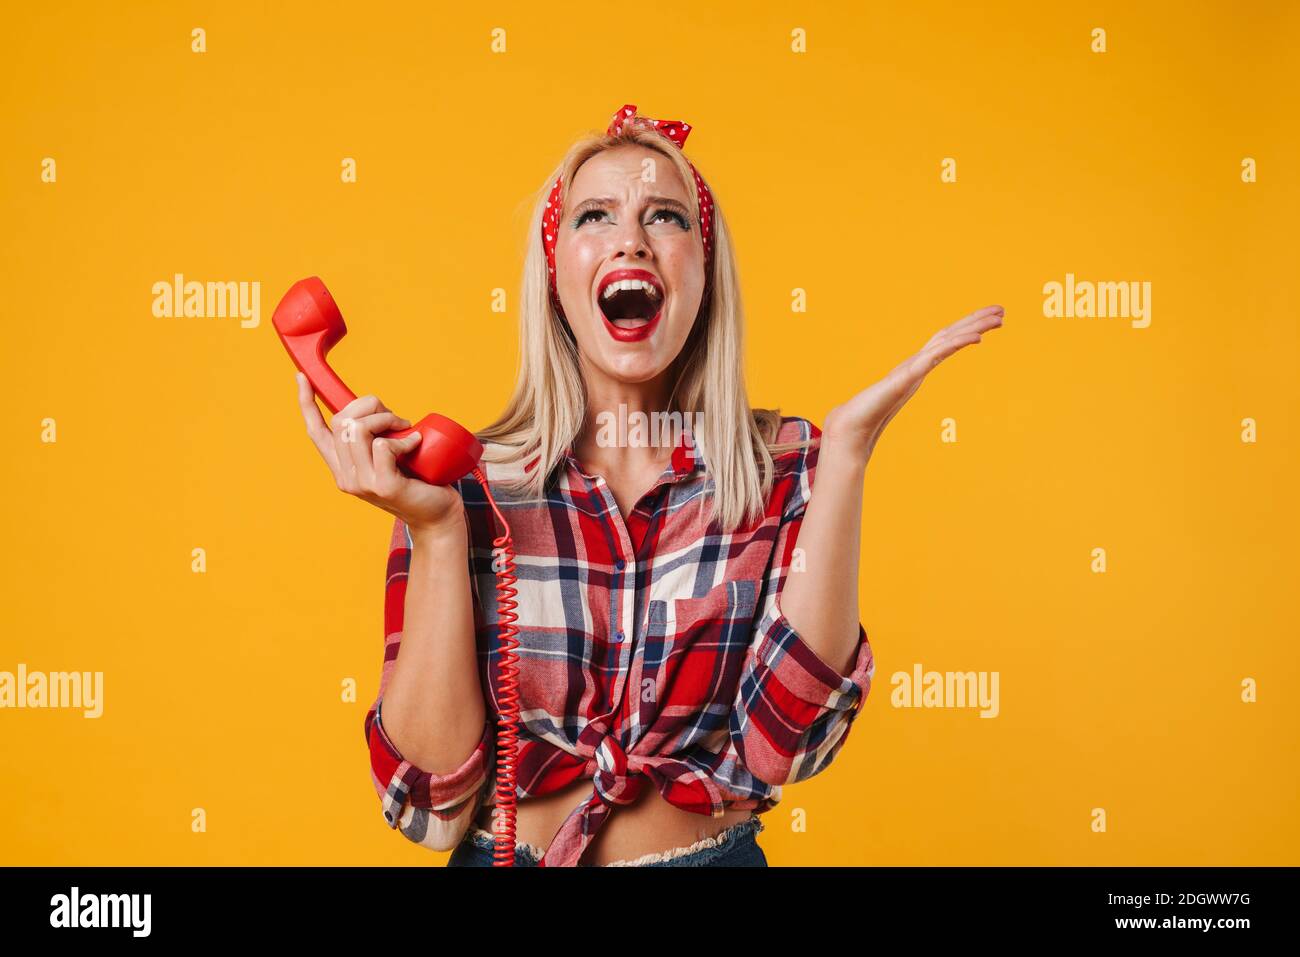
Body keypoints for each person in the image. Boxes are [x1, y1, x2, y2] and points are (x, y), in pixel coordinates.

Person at [293, 103, 1003, 867]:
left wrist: (849, 460)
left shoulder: (791, 464)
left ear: (704, 271)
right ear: (554, 271)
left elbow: (782, 748)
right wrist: (436, 531)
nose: (630, 239)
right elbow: (427, 808)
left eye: (664, 217)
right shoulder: (464, 484)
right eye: (594, 216)